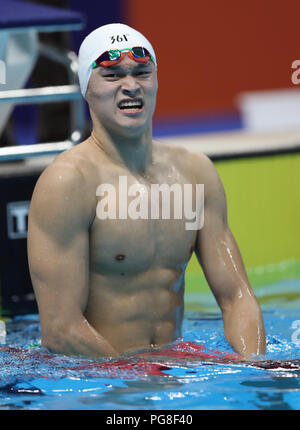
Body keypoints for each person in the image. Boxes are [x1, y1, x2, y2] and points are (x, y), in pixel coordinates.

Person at [27, 23, 266, 360]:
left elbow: (236, 296)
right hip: (96, 381)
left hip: (171, 369)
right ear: (86, 88)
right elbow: (61, 329)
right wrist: (140, 377)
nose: (130, 86)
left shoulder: (194, 172)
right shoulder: (69, 182)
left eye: (142, 72)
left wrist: (255, 367)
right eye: (112, 76)